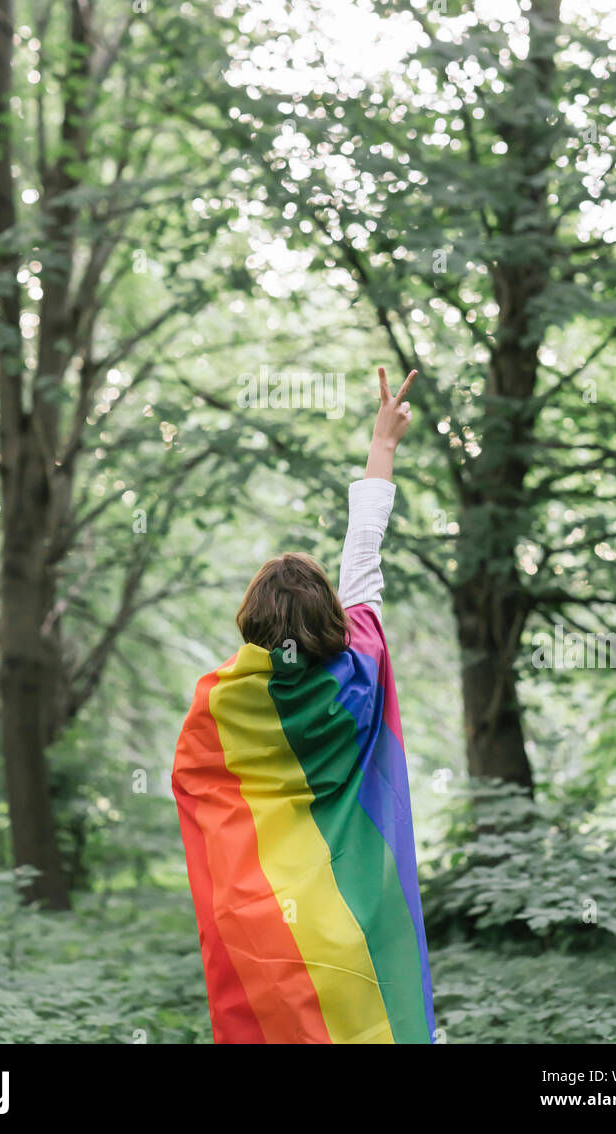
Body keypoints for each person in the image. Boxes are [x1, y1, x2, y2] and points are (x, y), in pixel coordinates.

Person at [171, 367, 437, 1044]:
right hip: (355, 923)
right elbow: (363, 554)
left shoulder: (222, 702)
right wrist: (383, 445)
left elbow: (200, 790)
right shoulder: (361, 670)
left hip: (264, 927)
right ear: (331, 619)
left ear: (250, 622)